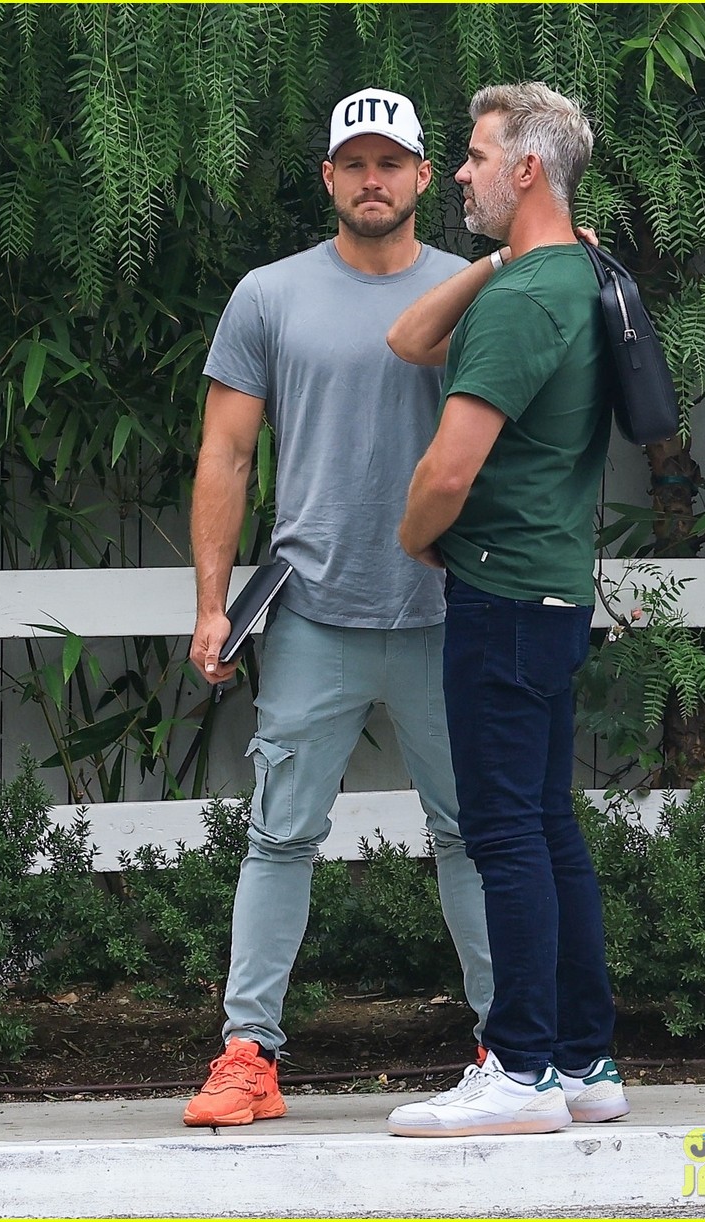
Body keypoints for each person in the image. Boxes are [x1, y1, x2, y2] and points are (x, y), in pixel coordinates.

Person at [183, 88, 497, 1127]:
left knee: (473, 836)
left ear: (422, 176)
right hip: (311, 611)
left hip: (448, 611)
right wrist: (212, 605)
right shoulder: (269, 295)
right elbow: (226, 454)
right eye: (353, 162)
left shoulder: (471, 289)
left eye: (390, 162)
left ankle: (511, 1046)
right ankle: (247, 1055)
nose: (372, 179)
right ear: (328, 176)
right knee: (278, 836)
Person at [387, 82, 630, 1138]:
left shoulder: (528, 301)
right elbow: (407, 338)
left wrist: (412, 536)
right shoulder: (565, 277)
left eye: (477, 155)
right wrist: (498, 259)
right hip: (552, 591)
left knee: (501, 833)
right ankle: (582, 1061)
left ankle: (520, 1068)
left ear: (525, 169)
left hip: (499, 591)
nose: (458, 172)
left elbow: (448, 470)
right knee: (544, 826)